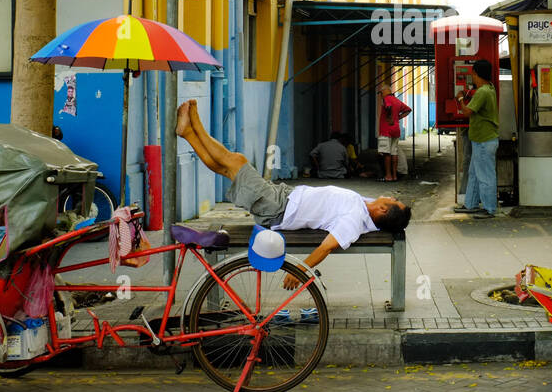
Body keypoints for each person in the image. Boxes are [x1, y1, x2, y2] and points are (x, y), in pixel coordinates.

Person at [176, 100, 411, 289]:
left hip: (278, 207)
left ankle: (195, 126)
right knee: (226, 168)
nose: (391, 197)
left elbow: (326, 247)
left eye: (393, 201)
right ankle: (187, 133)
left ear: (383, 209)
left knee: (235, 161)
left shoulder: (355, 221)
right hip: (284, 198)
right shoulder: (367, 209)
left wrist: (300, 272)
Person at [454, 58, 499, 217]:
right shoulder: (489, 88)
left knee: (485, 176)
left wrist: (460, 98)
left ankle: (489, 209)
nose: (471, 76)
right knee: (474, 173)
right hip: (481, 139)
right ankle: (471, 204)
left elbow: (467, 112)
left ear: (475, 73)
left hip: (483, 140)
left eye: (472, 73)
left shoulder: (482, 92)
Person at [377, 88, 412, 181]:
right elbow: (408, 110)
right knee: (394, 153)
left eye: (380, 93)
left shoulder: (386, 99)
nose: (380, 95)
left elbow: (388, 107)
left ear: (384, 92)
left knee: (386, 153)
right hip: (396, 130)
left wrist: (389, 117)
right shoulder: (397, 100)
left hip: (386, 130)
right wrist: (398, 117)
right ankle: (394, 176)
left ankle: (388, 176)